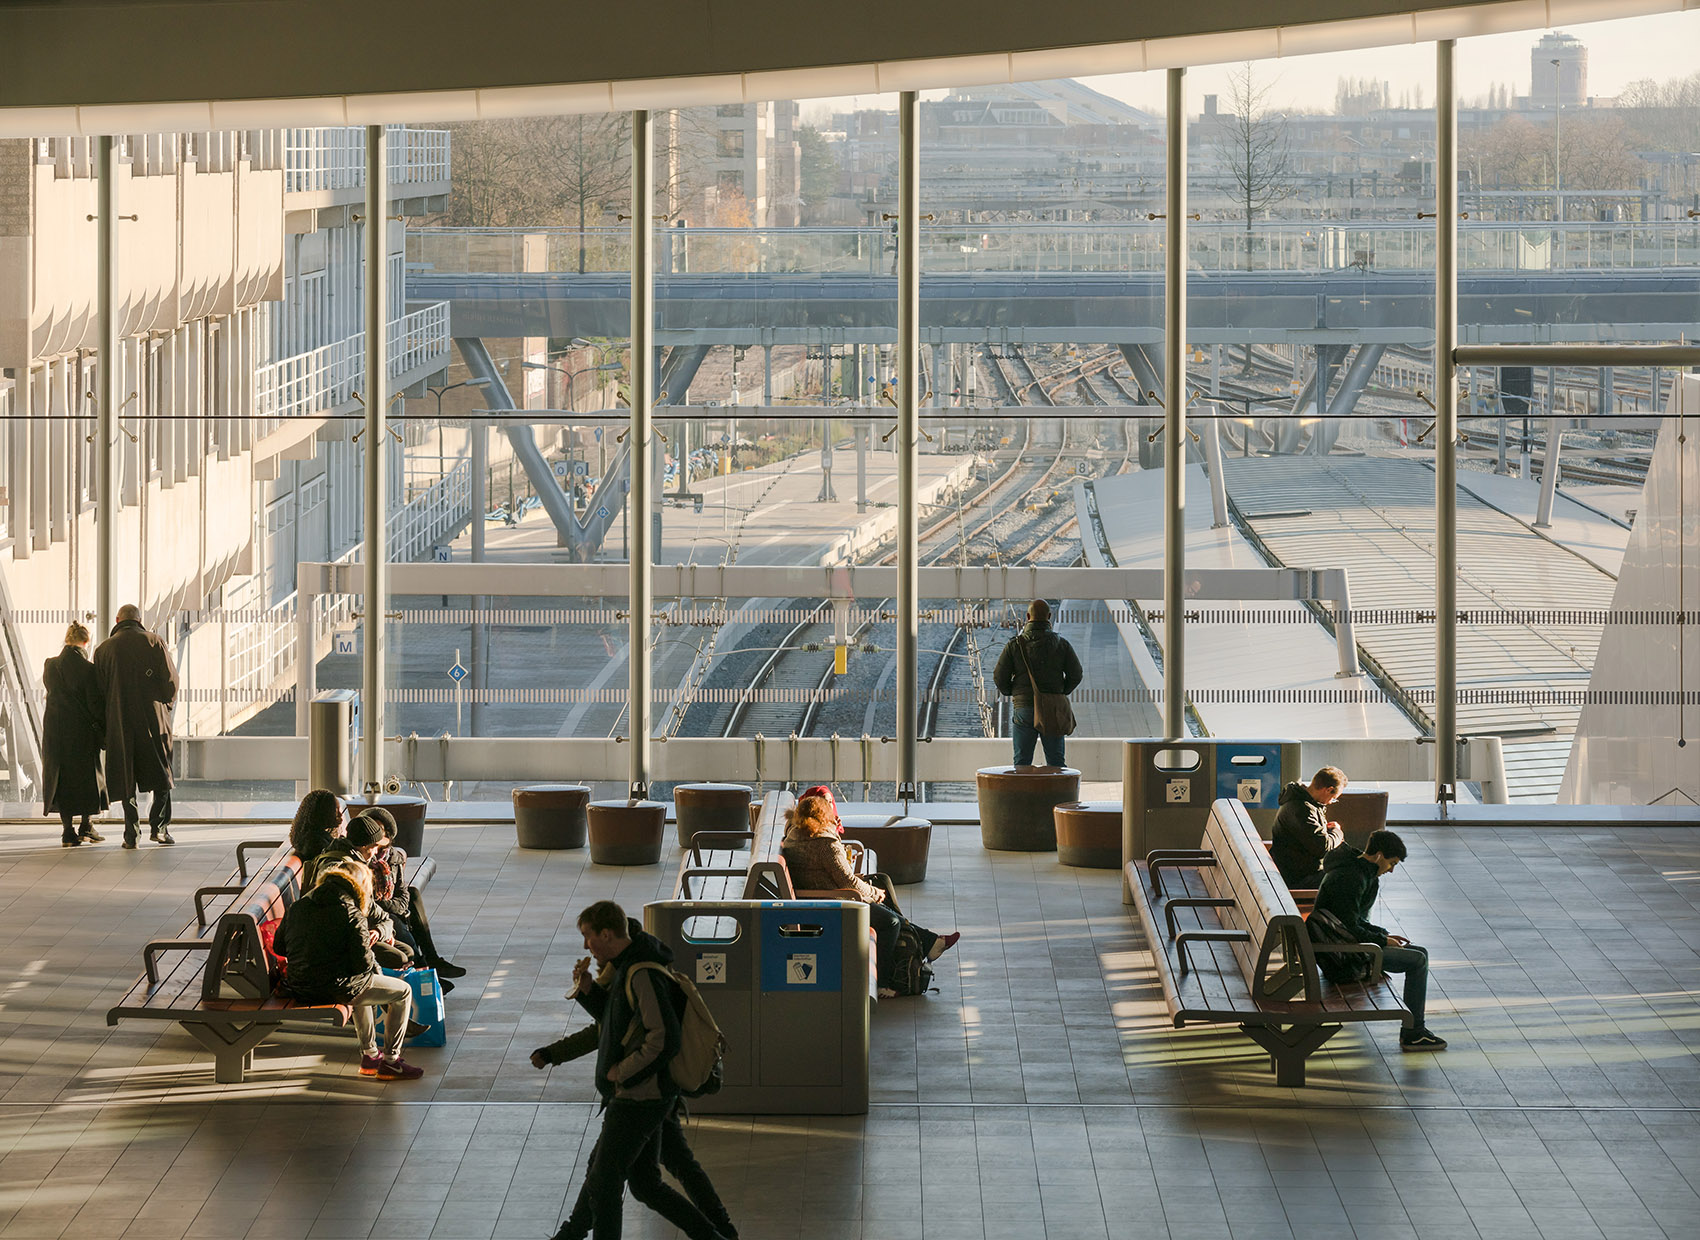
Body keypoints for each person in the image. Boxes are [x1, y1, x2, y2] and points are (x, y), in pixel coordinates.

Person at [533, 916, 737, 1240]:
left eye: (594, 941)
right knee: (648, 1183)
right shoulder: (628, 973)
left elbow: (650, 1038)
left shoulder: (636, 976)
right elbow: (606, 1029)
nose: (589, 949)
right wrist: (555, 1050)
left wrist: (619, 1073)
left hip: (642, 1096)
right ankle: (719, 1233)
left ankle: (571, 1234)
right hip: (653, 1096)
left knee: (604, 1176)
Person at [782, 794, 958, 998]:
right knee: (890, 922)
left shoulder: (796, 834)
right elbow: (847, 882)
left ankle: (929, 942)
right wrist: (874, 893)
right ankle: (881, 982)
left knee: (882, 881)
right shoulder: (824, 844)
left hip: (818, 898)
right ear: (824, 816)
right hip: (832, 903)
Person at [271, 859, 425, 1080]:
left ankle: (370, 1055)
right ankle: (391, 1060)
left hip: (300, 985)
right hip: (333, 988)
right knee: (401, 992)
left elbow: (279, 947)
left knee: (360, 985)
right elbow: (361, 965)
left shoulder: (299, 906)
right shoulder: (351, 914)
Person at [1313, 829, 1447, 1053]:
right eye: (1391, 863)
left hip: (1340, 945)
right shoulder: (1351, 878)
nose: (1391, 870)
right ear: (1379, 856)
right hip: (1341, 956)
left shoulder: (1355, 870)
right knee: (1417, 961)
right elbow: (1350, 927)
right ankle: (1413, 1033)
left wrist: (1384, 936)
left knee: (1420, 951)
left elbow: (1350, 920)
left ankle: (1415, 1030)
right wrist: (1381, 941)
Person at [346, 806, 467, 989]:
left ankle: (431, 962)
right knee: (395, 919)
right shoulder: (360, 860)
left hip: (386, 908)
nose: (377, 838)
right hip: (373, 915)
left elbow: (402, 898)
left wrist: (386, 904)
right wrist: (387, 907)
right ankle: (424, 972)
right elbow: (367, 902)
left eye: (381, 831)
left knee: (412, 896)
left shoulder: (393, 857)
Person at [93, 604, 179, 848]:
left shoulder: (103, 650)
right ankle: (160, 829)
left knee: (125, 775)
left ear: (118, 619)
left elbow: (99, 692)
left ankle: (131, 835)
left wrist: (106, 723)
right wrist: (165, 706)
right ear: (139, 620)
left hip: (119, 721)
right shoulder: (154, 641)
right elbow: (171, 680)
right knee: (162, 772)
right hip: (153, 718)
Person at [992, 598, 1082, 767]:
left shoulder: (1014, 645)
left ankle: (1022, 793)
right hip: (1052, 709)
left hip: (1024, 708)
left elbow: (999, 677)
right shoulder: (1062, 644)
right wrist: (1061, 692)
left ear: (1027, 616)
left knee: (1021, 762)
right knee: (1056, 762)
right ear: (1049, 616)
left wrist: (1016, 692)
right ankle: (1056, 794)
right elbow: (1076, 674)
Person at [41, 622, 107, 847]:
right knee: (88, 778)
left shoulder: (50, 665)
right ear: (86, 642)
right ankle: (87, 826)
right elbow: (94, 704)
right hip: (81, 733)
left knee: (62, 779)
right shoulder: (88, 669)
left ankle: (67, 831)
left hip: (55, 733)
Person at [1270, 766, 1348, 889]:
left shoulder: (1307, 804)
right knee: (1350, 876)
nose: (1329, 802)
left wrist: (1328, 832)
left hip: (1300, 870)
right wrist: (1337, 832)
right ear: (1328, 790)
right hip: (1297, 877)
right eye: (1333, 798)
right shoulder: (1301, 809)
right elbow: (1323, 847)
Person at [287, 788, 346, 863]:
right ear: (323, 813)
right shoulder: (315, 844)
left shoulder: (312, 836)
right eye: (336, 810)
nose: (340, 814)